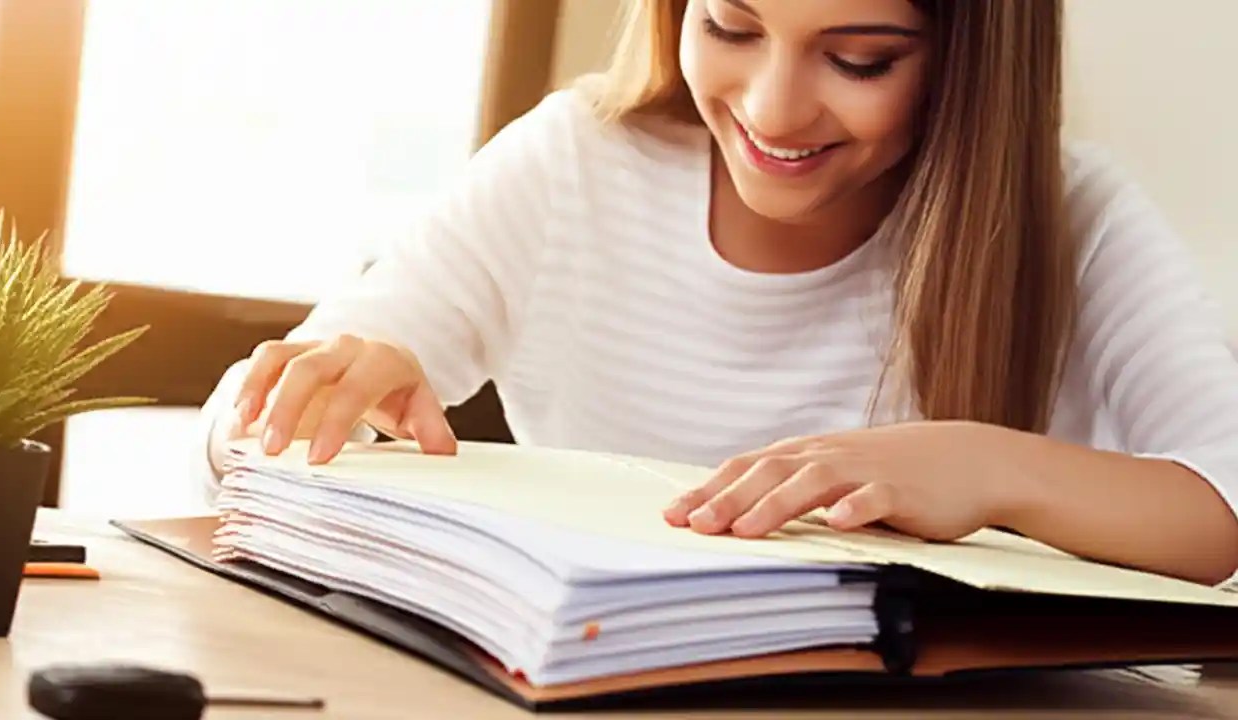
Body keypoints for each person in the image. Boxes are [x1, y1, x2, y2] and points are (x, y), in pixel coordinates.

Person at [194, 0, 1238, 588]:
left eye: (859, 59)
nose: (772, 110)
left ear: (968, 61)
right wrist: (311, 388)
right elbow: (239, 437)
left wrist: (986, 465)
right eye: (729, 28)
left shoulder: (1071, 214)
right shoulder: (575, 162)